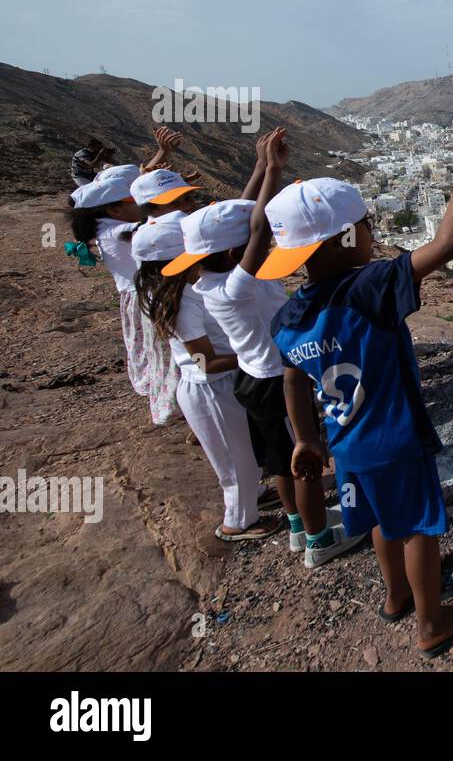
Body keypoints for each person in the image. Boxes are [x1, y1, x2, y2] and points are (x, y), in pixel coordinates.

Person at [258, 154, 453, 658]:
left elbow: (293, 380)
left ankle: (396, 596)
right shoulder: (371, 287)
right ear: (342, 238)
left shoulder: (288, 319)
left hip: (346, 446)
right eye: (365, 224)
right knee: (416, 529)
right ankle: (432, 622)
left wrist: (305, 439)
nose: (371, 232)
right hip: (396, 441)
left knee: (382, 523)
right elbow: (447, 245)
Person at [162, 129, 360, 568]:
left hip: (251, 381)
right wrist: (272, 170)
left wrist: (261, 168)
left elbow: (244, 223)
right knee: (305, 461)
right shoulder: (237, 286)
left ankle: (297, 526)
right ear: (234, 251)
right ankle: (319, 540)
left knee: (280, 463)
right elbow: (258, 226)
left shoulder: (210, 283)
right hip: (276, 381)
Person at [132, 211, 282, 541]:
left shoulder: (184, 291)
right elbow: (205, 362)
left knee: (242, 452)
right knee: (235, 462)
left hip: (220, 384)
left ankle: (254, 495)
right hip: (209, 390)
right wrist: (252, 356)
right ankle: (238, 522)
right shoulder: (183, 304)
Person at [68, 164, 180, 425]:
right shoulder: (120, 232)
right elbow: (154, 228)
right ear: (115, 210)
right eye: (134, 200)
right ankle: (173, 406)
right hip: (151, 299)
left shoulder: (104, 229)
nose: (142, 205)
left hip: (139, 299)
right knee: (168, 354)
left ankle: (163, 396)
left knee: (155, 353)